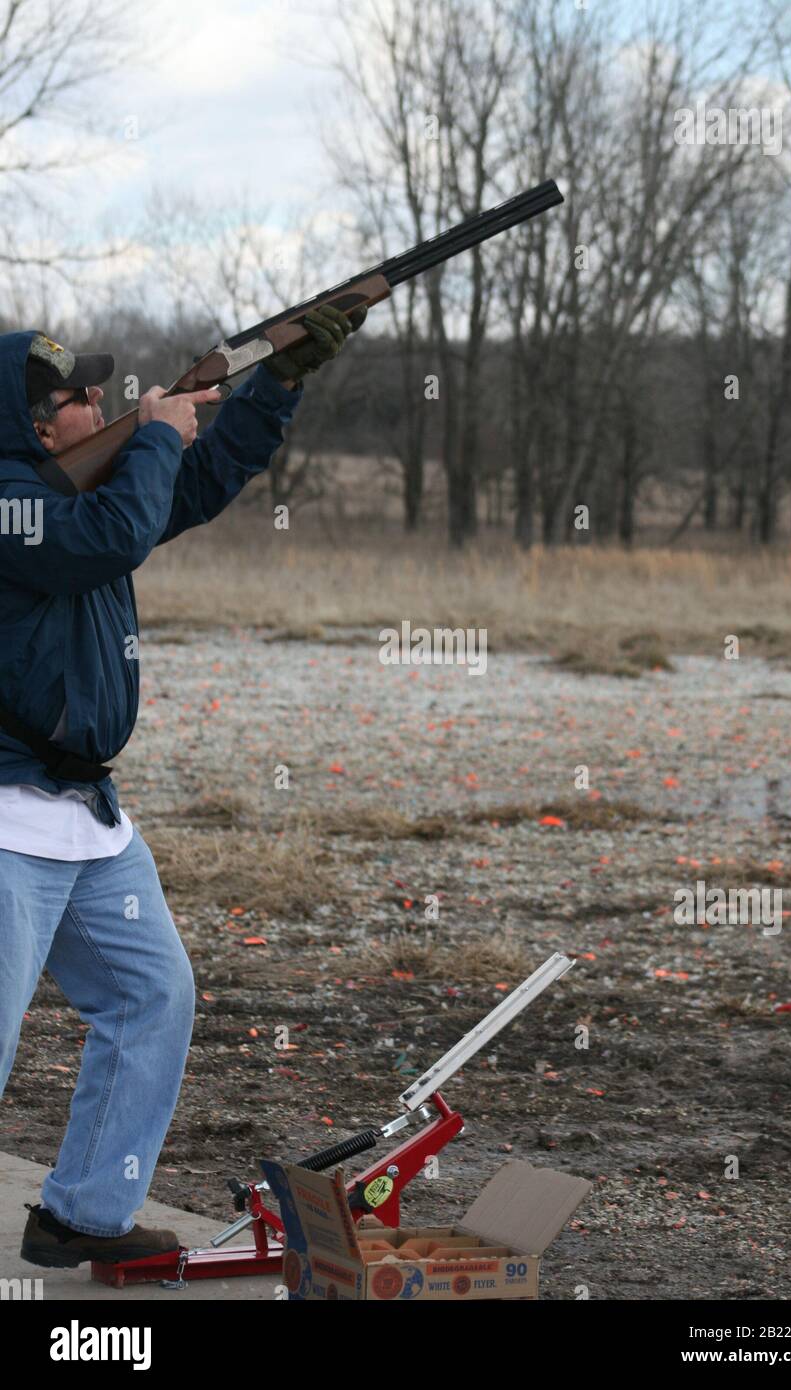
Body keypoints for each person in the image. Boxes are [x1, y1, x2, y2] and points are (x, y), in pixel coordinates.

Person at [0, 306, 364, 1267]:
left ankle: (84, 1216)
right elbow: (108, 538)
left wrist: (275, 383)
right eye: (80, 397)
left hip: (86, 817)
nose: (100, 403)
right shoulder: (14, 504)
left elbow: (192, 488)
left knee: (152, 996)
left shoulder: (81, 492)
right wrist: (158, 431)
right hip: (4, 820)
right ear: (37, 427)